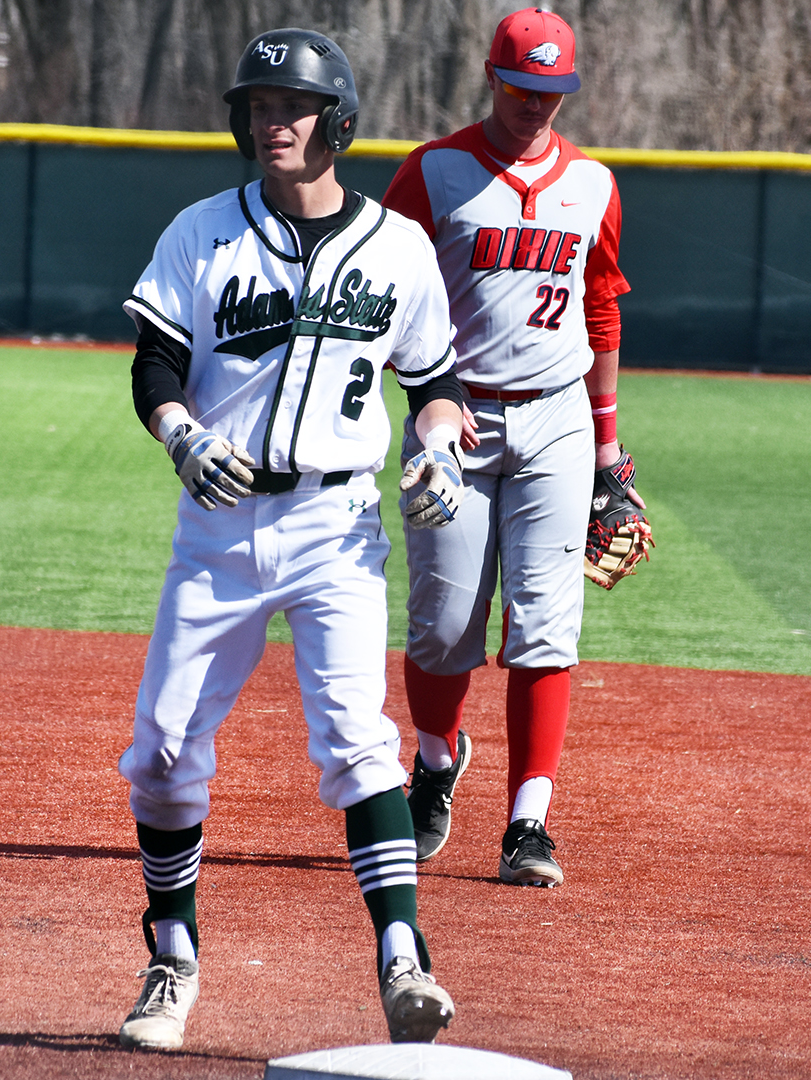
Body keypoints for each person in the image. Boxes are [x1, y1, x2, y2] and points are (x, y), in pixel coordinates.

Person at [114, 27, 469, 1052]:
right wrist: (180, 435)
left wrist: (440, 453)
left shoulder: (397, 249)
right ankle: (171, 957)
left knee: (358, 744)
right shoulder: (202, 232)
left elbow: (435, 382)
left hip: (336, 525)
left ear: (339, 126)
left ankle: (404, 958)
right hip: (218, 523)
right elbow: (155, 363)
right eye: (259, 106)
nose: (274, 121)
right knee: (165, 754)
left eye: (294, 106)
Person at [380, 8, 641, 888]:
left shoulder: (595, 185)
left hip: (559, 418)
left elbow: (601, 310)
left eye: (554, 91)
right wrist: (414, 414)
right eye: (525, 87)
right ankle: (435, 763)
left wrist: (609, 455)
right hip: (454, 417)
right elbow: (380, 293)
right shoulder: (435, 172)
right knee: (444, 625)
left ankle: (528, 822)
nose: (538, 105)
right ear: (494, 77)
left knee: (545, 624)